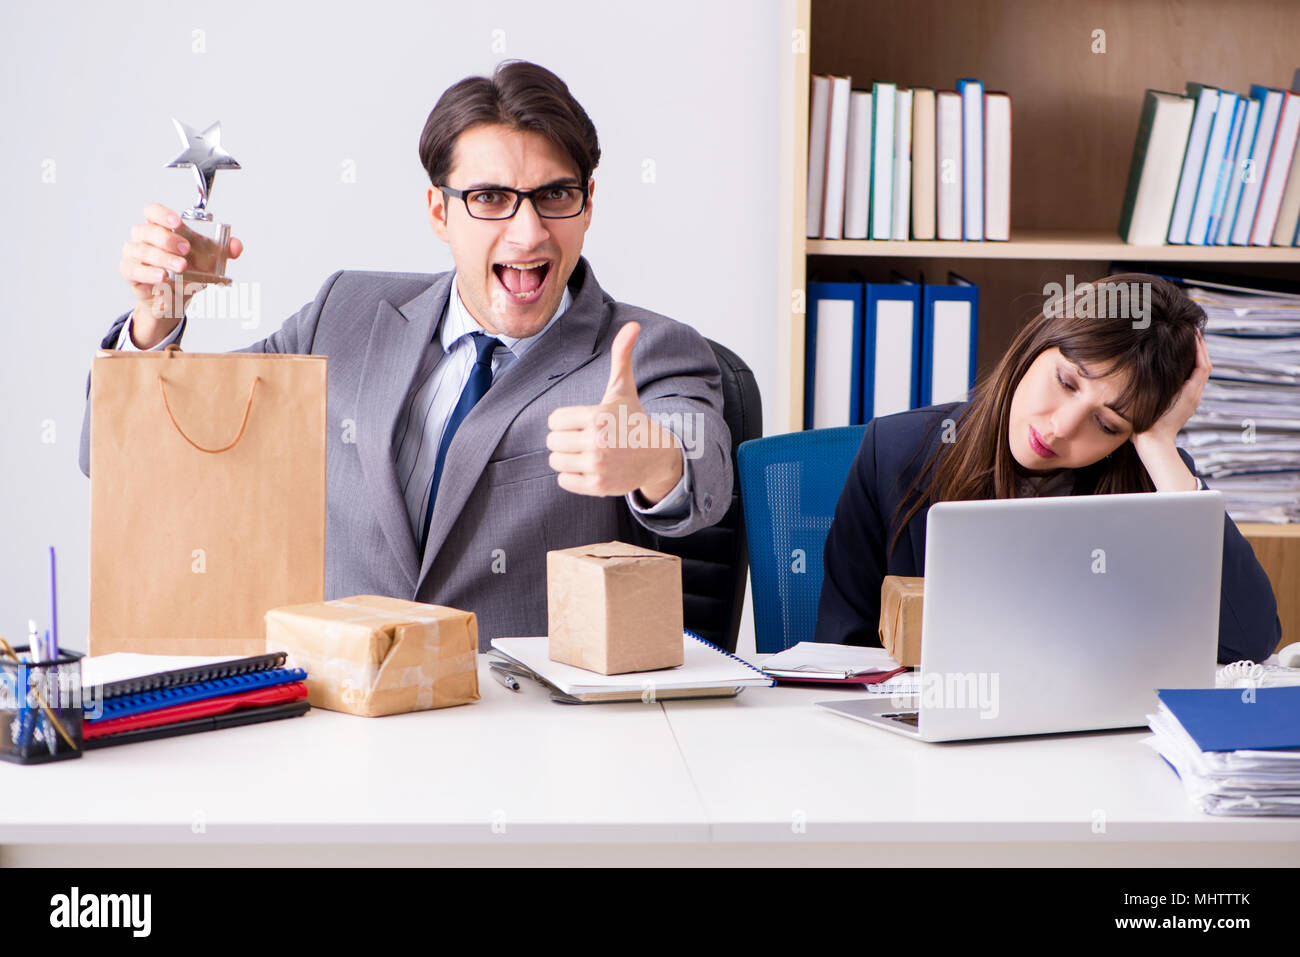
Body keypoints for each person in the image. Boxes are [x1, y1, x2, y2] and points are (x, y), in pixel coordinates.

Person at [78, 60, 733, 646]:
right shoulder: (346, 313)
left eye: (555, 195)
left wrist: (650, 454)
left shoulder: (646, 350)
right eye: (490, 198)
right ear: (438, 212)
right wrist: (156, 317)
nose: (528, 230)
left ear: (588, 206)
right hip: (334, 714)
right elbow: (140, 450)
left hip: (520, 737)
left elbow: (705, 468)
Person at [815, 273, 1280, 664]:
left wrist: (1161, 446)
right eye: (1066, 381)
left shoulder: (1154, 481)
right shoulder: (896, 451)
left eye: (1106, 423)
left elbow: (1248, 643)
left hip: (1082, 748)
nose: (1060, 428)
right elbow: (839, 652)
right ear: (1040, 342)